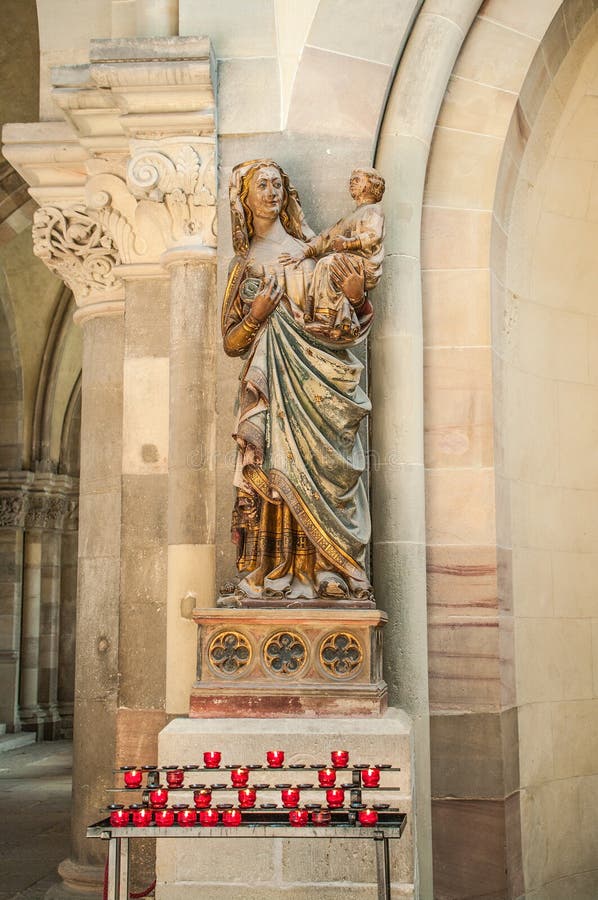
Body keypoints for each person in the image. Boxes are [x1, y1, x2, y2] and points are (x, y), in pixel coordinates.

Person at [221, 159, 376, 603]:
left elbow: (349, 326)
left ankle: (328, 570)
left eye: (276, 184)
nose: (270, 192)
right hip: (271, 381)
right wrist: (255, 316)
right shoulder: (244, 264)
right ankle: (273, 571)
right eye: (261, 185)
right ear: (244, 198)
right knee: (273, 470)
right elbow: (231, 342)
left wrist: (355, 296)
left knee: (324, 471)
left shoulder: (314, 251)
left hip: (321, 388)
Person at [280, 167, 384, 341]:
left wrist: (349, 243)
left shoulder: (373, 210)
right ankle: (340, 322)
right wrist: (303, 251)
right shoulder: (351, 216)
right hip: (349, 262)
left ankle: (326, 318)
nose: (352, 182)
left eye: (358, 179)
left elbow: (373, 235)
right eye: (351, 179)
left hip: (365, 265)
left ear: (371, 184)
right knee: (324, 265)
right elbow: (326, 237)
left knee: (328, 263)